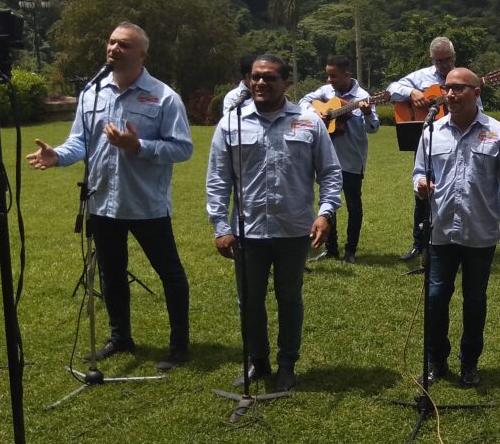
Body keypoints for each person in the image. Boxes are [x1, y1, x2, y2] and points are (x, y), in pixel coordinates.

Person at [26, 22, 193, 372]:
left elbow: (182, 148)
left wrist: (139, 146)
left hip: (145, 204)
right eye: (112, 42)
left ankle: (179, 345)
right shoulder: (92, 92)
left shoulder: (164, 97)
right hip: (102, 201)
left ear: (142, 55)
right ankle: (121, 337)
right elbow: (80, 142)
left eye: (124, 45)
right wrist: (58, 155)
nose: (114, 49)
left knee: (169, 273)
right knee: (111, 273)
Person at [206, 54, 342, 392]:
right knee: (249, 301)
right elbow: (217, 180)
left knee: (289, 298)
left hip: (294, 230)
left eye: (269, 78)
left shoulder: (309, 122)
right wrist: (220, 227)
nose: (260, 83)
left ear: (286, 83)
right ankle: (258, 361)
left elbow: (330, 172)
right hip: (247, 231)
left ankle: (287, 365)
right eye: (255, 77)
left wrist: (325, 212)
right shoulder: (232, 123)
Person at [412, 67, 500, 388]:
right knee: (435, 298)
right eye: (447, 88)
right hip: (440, 231)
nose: (451, 94)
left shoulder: (498, 133)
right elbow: (419, 171)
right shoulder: (432, 131)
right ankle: (436, 360)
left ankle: (470, 363)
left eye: (459, 88)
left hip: (479, 234)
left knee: (475, 301)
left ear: (476, 93)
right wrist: (421, 183)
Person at [388, 37, 482, 262]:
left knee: (457, 191)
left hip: (459, 142)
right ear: (432, 59)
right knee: (422, 191)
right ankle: (419, 244)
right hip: (429, 141)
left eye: (448, 60)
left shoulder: (464, 77)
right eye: (439, 61)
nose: (444, 65)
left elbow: (478, 109)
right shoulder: (420, 77)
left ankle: (456, 241)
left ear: (454, 57)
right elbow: (391, 89)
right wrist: (412, 93)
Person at [300, 55, 381, 264]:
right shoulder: (325, 92)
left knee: (354, 205)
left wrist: (367, 113)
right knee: (328, 203)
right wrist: (316, 114)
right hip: (327, 160)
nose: (329, 80)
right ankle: (331, 248)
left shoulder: (363, 96)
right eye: (327, 75)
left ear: (347, 75)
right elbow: (303, 101)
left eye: (333, 76)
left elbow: (373, 128)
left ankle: (351, 250)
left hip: (352, 159)